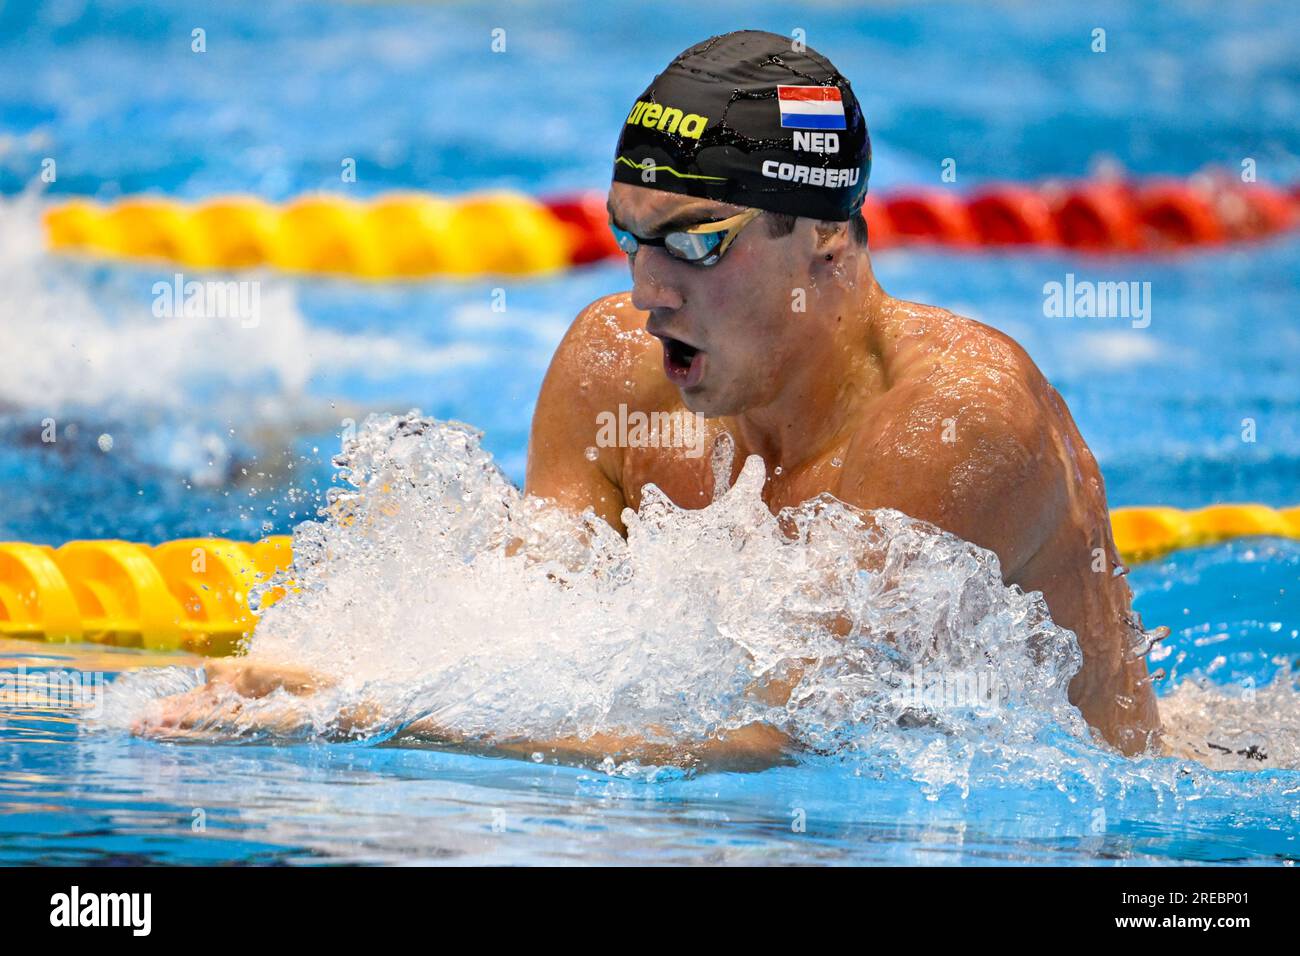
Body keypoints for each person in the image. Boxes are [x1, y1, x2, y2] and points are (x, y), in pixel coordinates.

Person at [136, 30, 1163, 765]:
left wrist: (376, 709)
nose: (647, 289)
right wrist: (302, 670)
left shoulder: (956, 423)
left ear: (825, 238)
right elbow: (517, 616)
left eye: (697, 241)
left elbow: (766, 737)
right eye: (630, 236)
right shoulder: (612, 368)